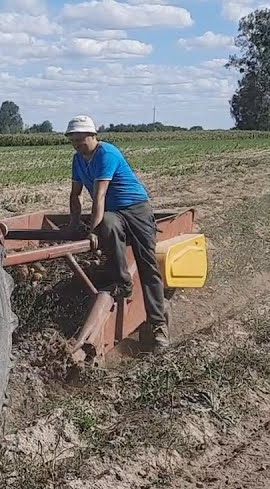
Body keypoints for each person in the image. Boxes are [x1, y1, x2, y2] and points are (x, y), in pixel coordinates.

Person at [64, 114, 169, 350]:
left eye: (81, 139)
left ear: (93, 136)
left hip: (136, 209)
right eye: (73, 141)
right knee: (108, 224)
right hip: (114, 213)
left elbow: (99, 195)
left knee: (147, 265)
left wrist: (92, 231)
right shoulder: (78, 160)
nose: (78, 144)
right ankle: (123, 282)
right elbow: (76, 194)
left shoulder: (106, 154)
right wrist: (72, 224)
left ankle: (159, 325)